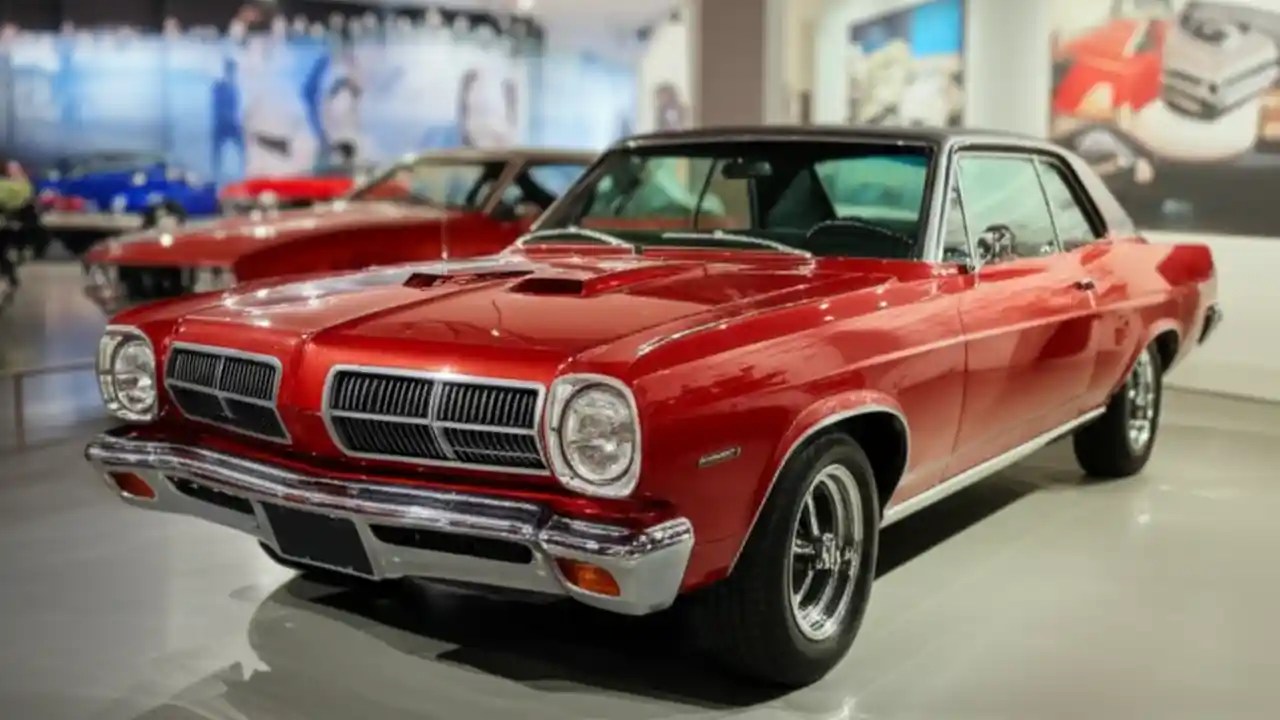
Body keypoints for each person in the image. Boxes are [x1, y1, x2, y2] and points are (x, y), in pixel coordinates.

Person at [0, 158, 34, 287]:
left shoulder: (22, 186)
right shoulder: (25, 186)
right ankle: (9, 274)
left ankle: (9, 274)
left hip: (13, 225)